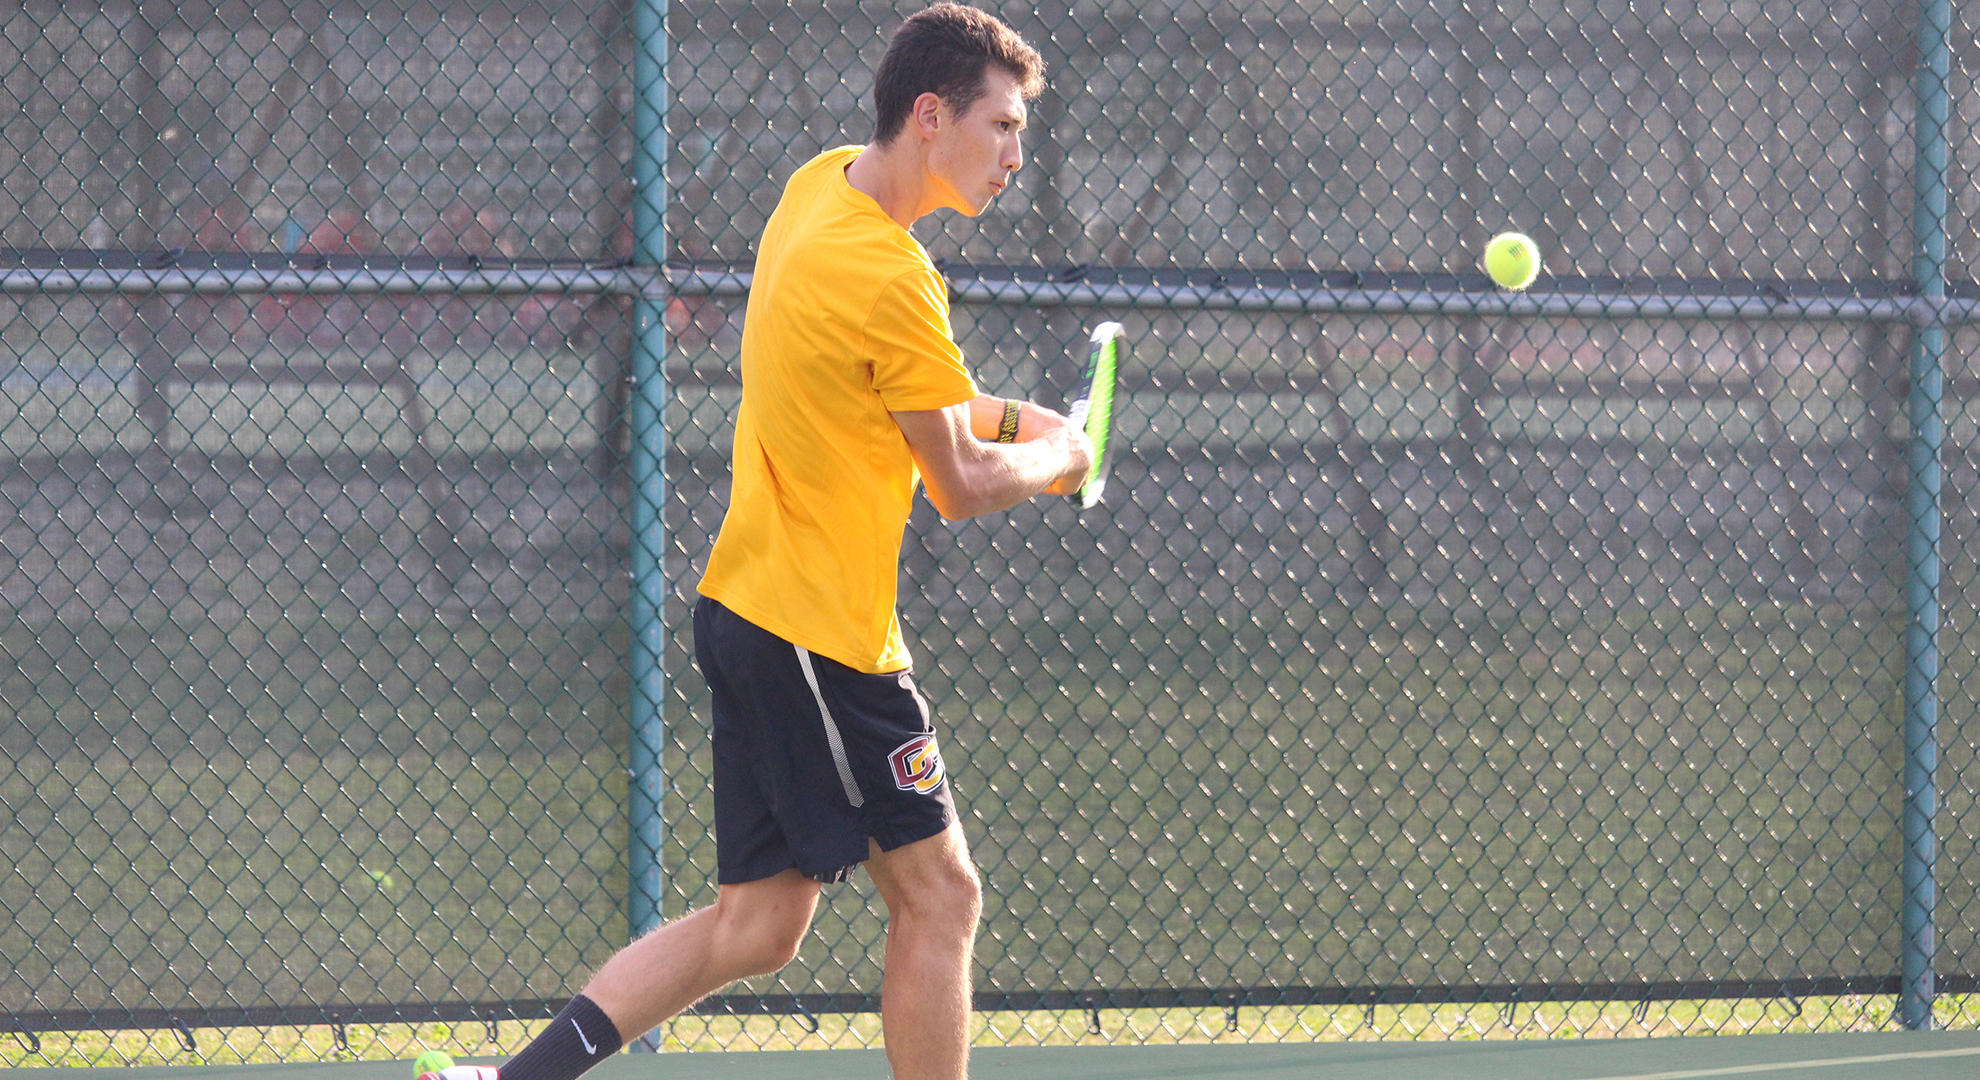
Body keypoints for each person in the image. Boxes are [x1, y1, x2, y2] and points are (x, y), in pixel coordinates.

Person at [420, 6, 1088, 1080]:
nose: (1017, 154)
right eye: (1003, 126)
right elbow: (956, 482)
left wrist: (1036, 425)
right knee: (940, 895)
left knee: (759, 928)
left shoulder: (820, 187)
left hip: (747, 610)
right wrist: (1063, 463)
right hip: (823, 639)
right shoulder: (896, 277)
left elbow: (914, 395)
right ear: (931, 117)